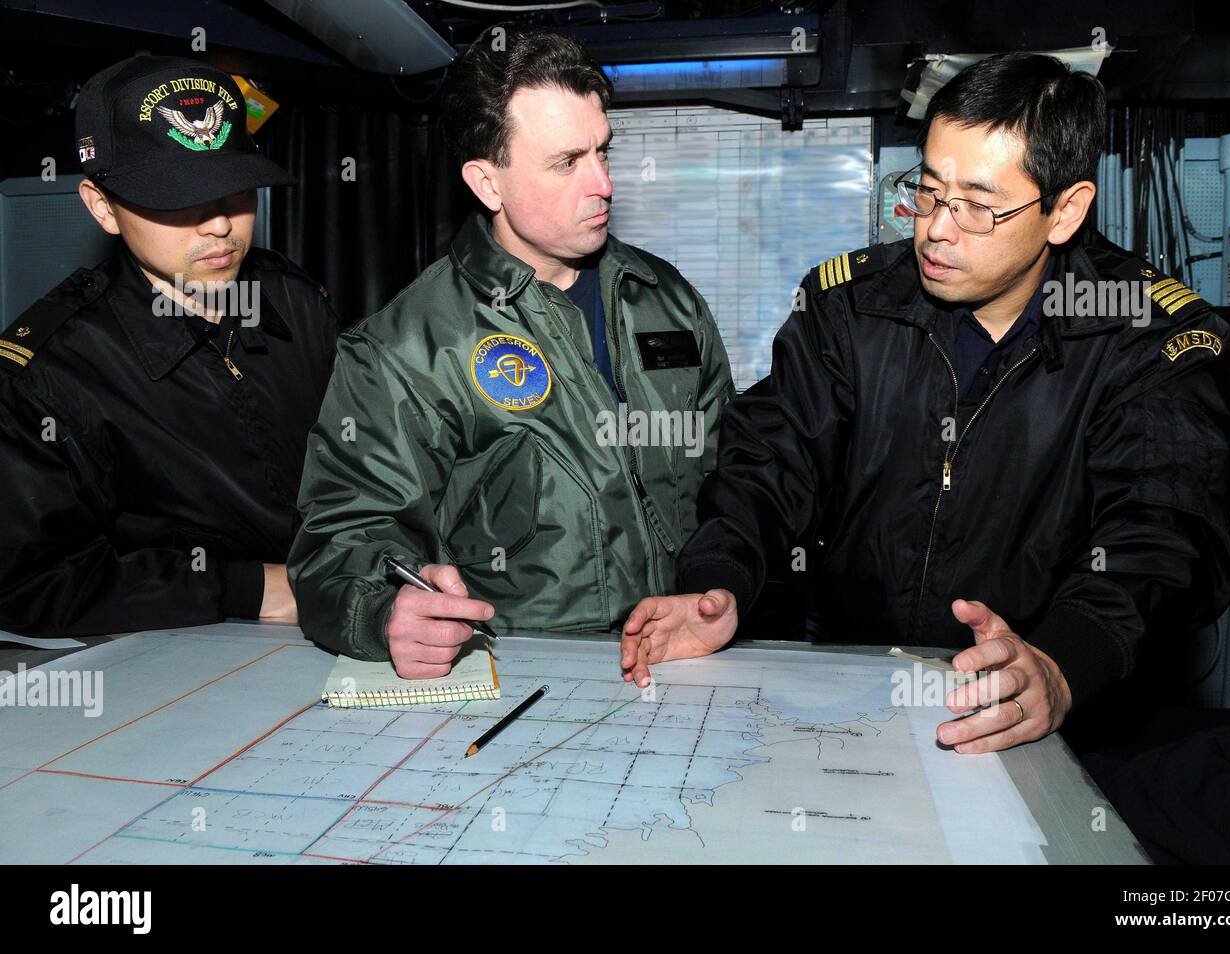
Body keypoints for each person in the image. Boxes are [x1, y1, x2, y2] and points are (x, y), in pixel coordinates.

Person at [620, 53, 1230, 753]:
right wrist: (722, 581)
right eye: (928, 190)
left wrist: (1066, 662)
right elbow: (770, 460)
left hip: (1041, 714)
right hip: (847, 694)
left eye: (978, 205)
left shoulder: (1144, 339)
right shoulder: (851, 309)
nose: (935, 228)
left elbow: (1161, 534)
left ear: (1065, 210)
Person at [289, 26, 734, 677]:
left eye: (603, 152)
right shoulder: (404, 347)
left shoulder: (665, 298)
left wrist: (725, 577)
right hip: (526, 675)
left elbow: (734, 474)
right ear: (486, 183)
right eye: (567, 162)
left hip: (685, 662)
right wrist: (383, 611)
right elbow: (340, 541)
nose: (604, 184)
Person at [0, 55, 340, 636]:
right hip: (192, 661)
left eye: (235, 189)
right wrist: (245, 587)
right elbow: (28, 583)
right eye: (177, 197)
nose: (218, 225)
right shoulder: (48, 374)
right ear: (101, 207)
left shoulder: (297, 302)